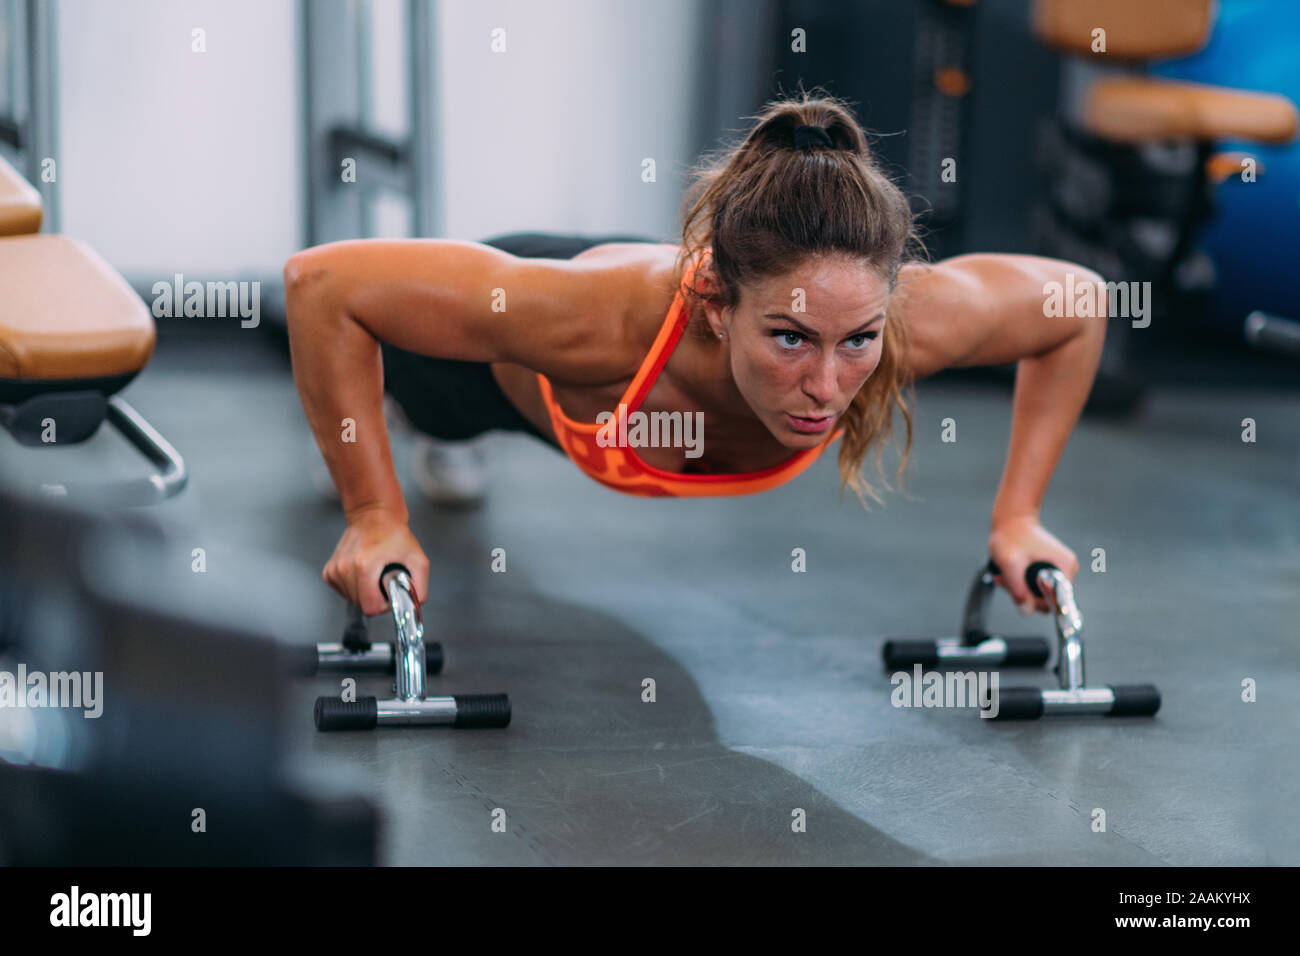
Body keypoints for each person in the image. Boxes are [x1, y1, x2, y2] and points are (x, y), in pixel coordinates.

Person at [285, 92, 1096, 619]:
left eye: (857, 342)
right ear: (714, 303)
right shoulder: (595, 321)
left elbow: (1080, 306)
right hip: (486, 361)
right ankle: (424, 431)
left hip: (701, 282)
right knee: (412, 394)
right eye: (791, 339)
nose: (825, 388)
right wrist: (374, 516)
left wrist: (1018, 516)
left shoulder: (903, 318)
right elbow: (322, 284)